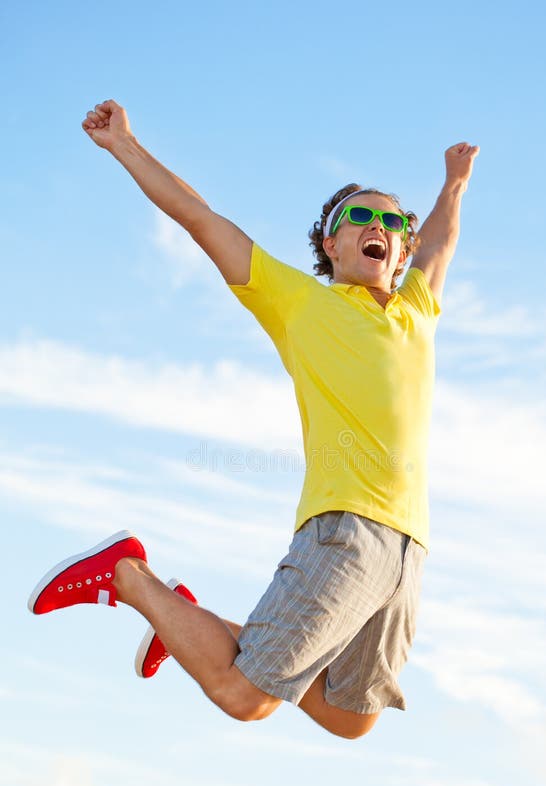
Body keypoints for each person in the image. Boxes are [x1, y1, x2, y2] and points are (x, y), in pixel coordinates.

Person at [28, 99, 479, 740]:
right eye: (359, 216)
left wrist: (453, 183)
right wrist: (125, 145)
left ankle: (187, 627)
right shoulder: (298, 302)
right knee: (245, 696)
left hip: (412, 548)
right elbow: (200, 219)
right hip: (346, 528)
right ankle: (129, 575)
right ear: (332, 241)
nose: (377, 224)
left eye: (391, 220)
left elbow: (441, 239)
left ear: (400, 248)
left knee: (353, 720)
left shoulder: (416, 310)